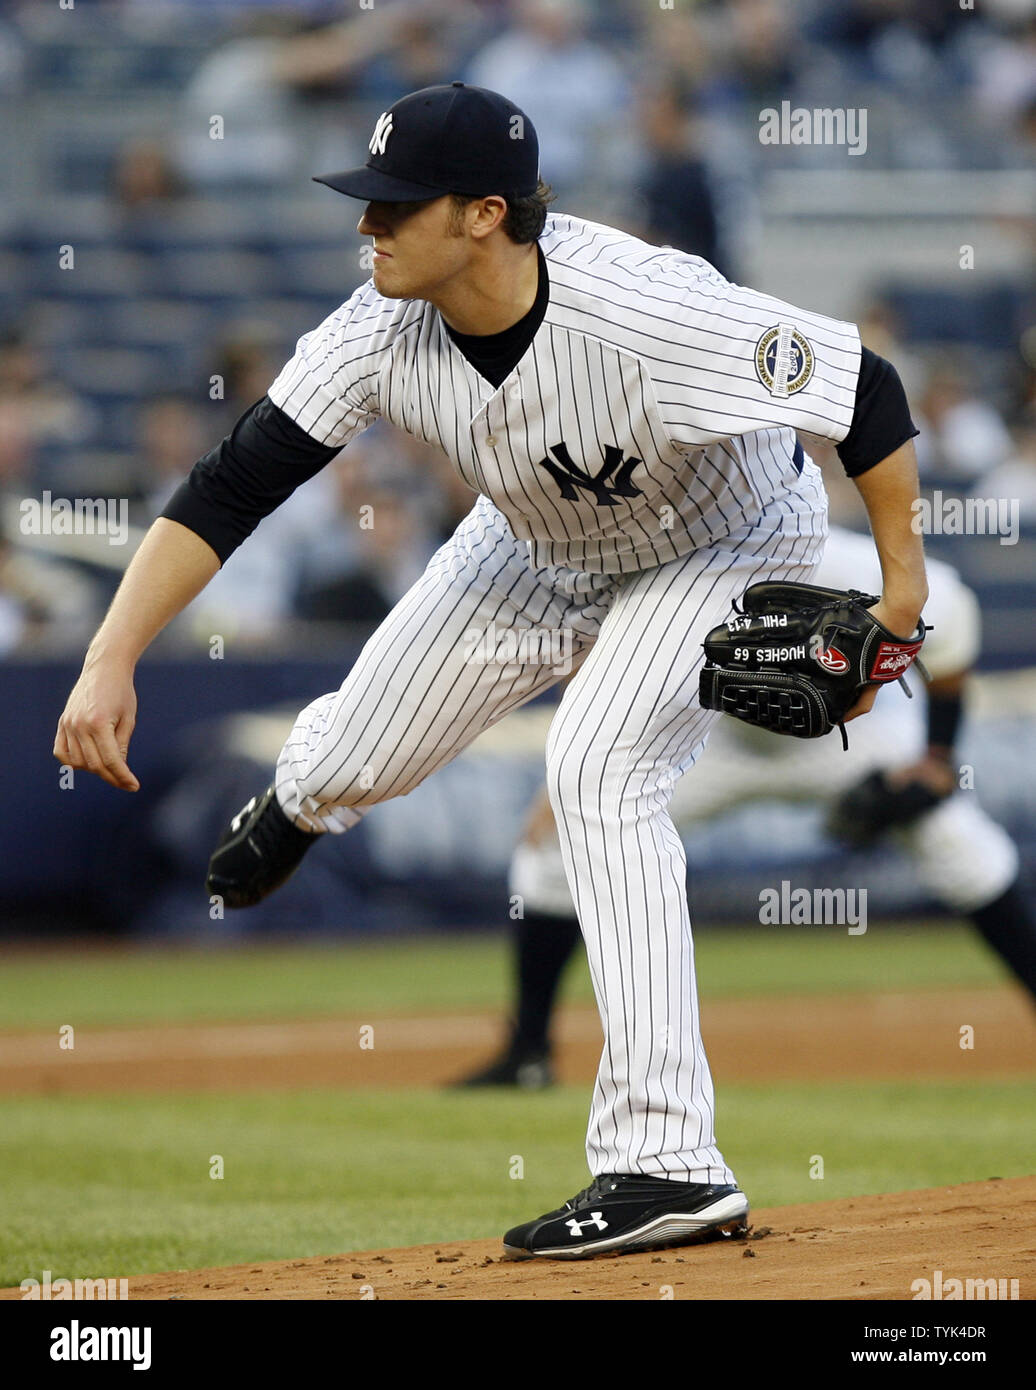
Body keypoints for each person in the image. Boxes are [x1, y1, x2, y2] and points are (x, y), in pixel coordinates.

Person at [54, 83, 929, 1259]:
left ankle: (663, 1162)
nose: (367, 228)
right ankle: (306, 793)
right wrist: (112, 655)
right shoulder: (376, 325)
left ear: (481, 214)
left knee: (597, 765)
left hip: (720, 540)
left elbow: (861, 387)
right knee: (364, 745)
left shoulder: (644, 308)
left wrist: (901, 595)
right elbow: (232, 484)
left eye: (392, 207)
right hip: (530, 543)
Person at [455, 525, 1036, 1089]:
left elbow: (953, 615)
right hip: (714, 738)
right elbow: (600, 663)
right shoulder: (674, 573)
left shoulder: (849, 567)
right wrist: (565, 784)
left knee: (961, 847)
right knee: (557, 850)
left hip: (853, 736)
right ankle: (527, 1052)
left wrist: (936, 759)